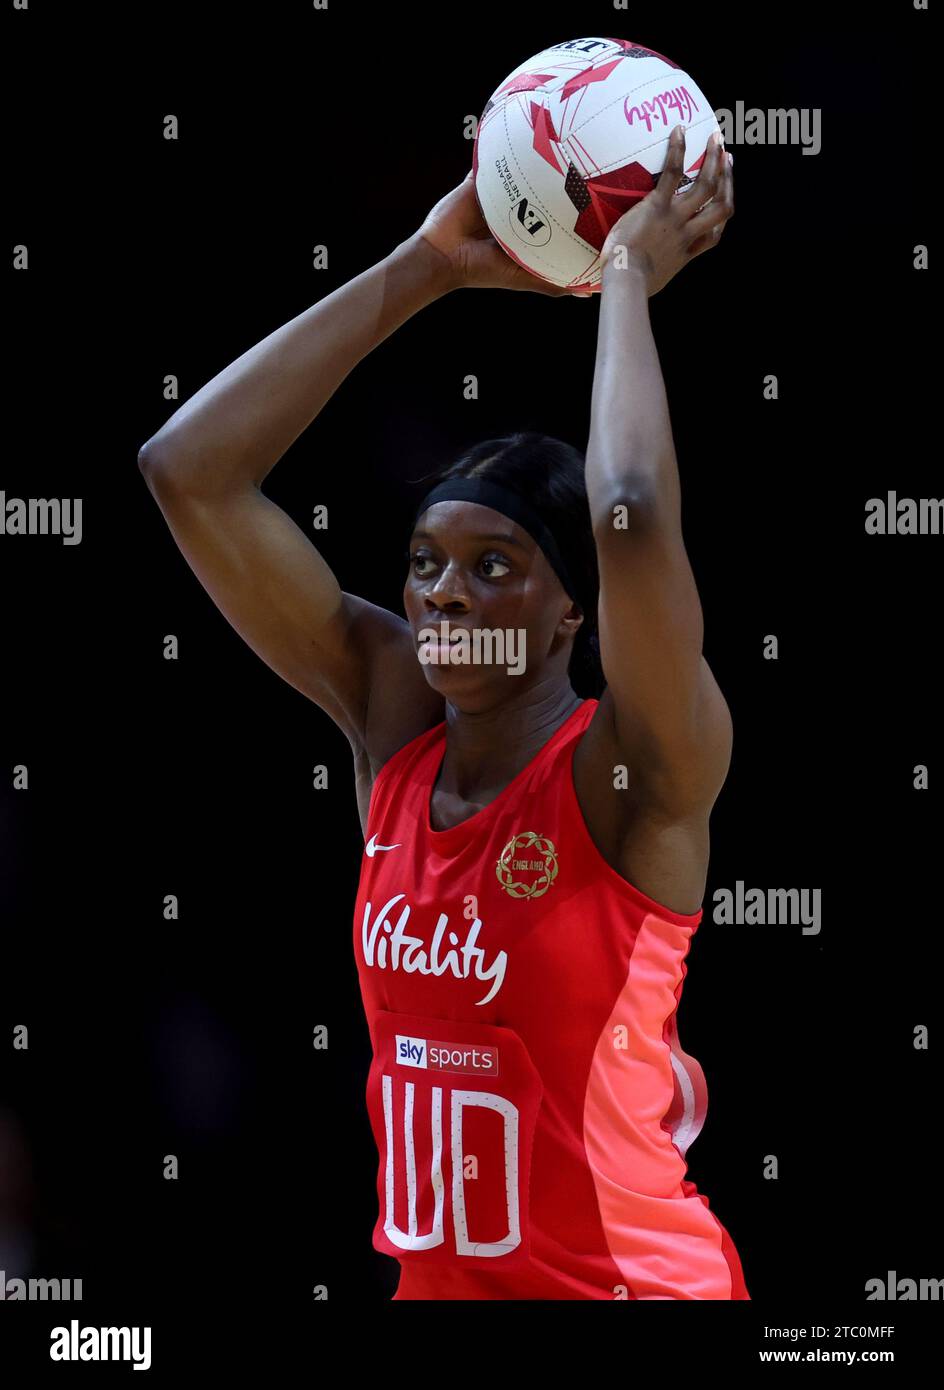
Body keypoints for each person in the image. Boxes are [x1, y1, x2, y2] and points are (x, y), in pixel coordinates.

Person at [138, 125, 746, 1298]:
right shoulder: (393, 729)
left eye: (493, 564)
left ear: (575, 610)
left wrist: (623, 276)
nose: (443, 592)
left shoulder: (633, 770)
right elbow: (186, 468)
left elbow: (625, 504)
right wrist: (422, 264)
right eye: (424, 563)